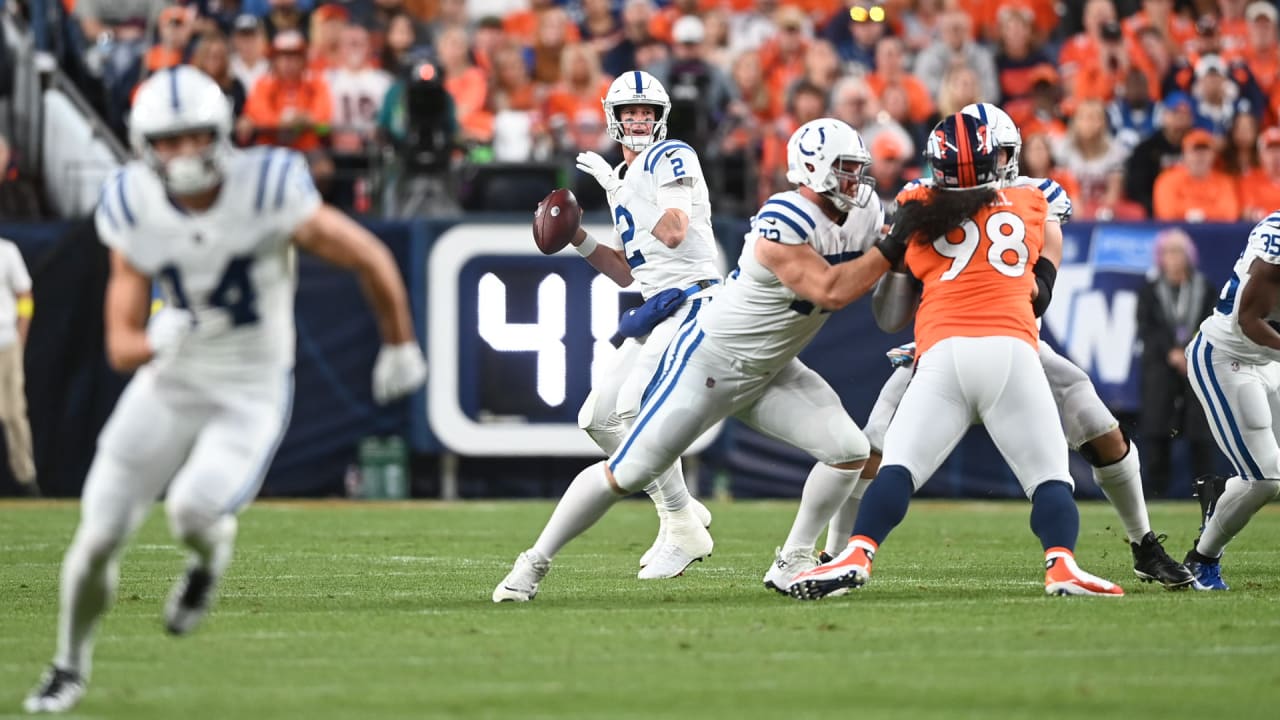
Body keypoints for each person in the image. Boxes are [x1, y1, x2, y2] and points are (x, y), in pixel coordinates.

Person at [22, 67, 427, 714]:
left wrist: (400, 341)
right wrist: (159, 338)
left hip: (250, 388)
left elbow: (368, 255)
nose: (184, 154)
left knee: (191, 510)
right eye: (169, 141)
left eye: (195, 137)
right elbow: (120, 344)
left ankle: (208, 560)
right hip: (172, 380)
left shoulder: (267, 188)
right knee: (96, 537)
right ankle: (68, 666)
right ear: (142, 143)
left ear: (222, 135)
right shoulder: (132, 204)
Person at [494, 117, 896, 601]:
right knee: (626, 469)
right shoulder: (782, 217)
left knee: (848, 452)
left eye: (857, 169)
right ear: (813, 169)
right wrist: (897, 245)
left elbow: (886, 273)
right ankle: (532, 565)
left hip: (770, 368)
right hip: (710, 362)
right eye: (846, 169)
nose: (857, 181)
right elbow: (830, 291)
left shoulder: (865, 209)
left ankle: (793, 560)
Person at [820, 103, 1193, 591]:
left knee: (1099, 425)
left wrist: (1033, 279)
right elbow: (1034, 285)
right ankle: (836, 548)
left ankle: (1144, 544)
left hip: (971, 337)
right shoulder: (1030, 201)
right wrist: (1031, 282)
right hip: (997, 339)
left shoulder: (924, 198)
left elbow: (894, 314)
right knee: (876, 442)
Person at [565, 70, 718, 574]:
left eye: (646, 112)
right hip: (658, 306)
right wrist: (579, 239)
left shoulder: (671, 156)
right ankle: (681, 512)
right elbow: (632, 270)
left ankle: (682, 527)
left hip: (694, 299)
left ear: (660, 118)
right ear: (613, 118)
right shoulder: (624, 179)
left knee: (632, 409)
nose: (637, 120)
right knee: (598, 418)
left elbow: (673, 232)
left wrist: (619, 188)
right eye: (629, 112)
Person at [1182, 211, 1280, 591]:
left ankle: (1220, 496)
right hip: (1226, 356)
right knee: (1265, 478)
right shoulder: (1275, 243)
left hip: (1266, 359)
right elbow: (1247, 321)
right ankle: (1201, 561)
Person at [1136, 229, 1216, 498]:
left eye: (1178, 251)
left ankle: (1206, 494)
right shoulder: (1150, 291)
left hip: (1197, 365)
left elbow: (1212, 323)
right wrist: (1170, 351)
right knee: (1158, 431)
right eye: (1168, 252)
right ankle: (1155, 495)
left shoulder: (1204, 288)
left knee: (1201, 432)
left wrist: (1189, 351)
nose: (1173, 258)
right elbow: (1146, 327)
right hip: (1161, 366)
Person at [0, 235, 35, 491]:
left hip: (6, 343)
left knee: (13, 413)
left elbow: (25, 295)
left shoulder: (7, 251)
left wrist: (20, 336)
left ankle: (26, 480)